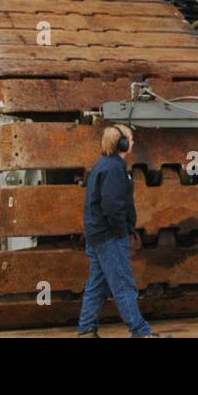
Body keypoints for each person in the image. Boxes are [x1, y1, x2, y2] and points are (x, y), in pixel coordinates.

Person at [77, 124, 163, 338]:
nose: (132, 142)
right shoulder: (114, 168)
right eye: (130, 139)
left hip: (97, 235)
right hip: (109, 236)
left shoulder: (103, 165)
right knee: (123, 284)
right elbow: (112, 206)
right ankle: (141, 331)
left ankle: (86, 330)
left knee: (97, 286)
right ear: (122, 143)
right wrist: (122, 230)